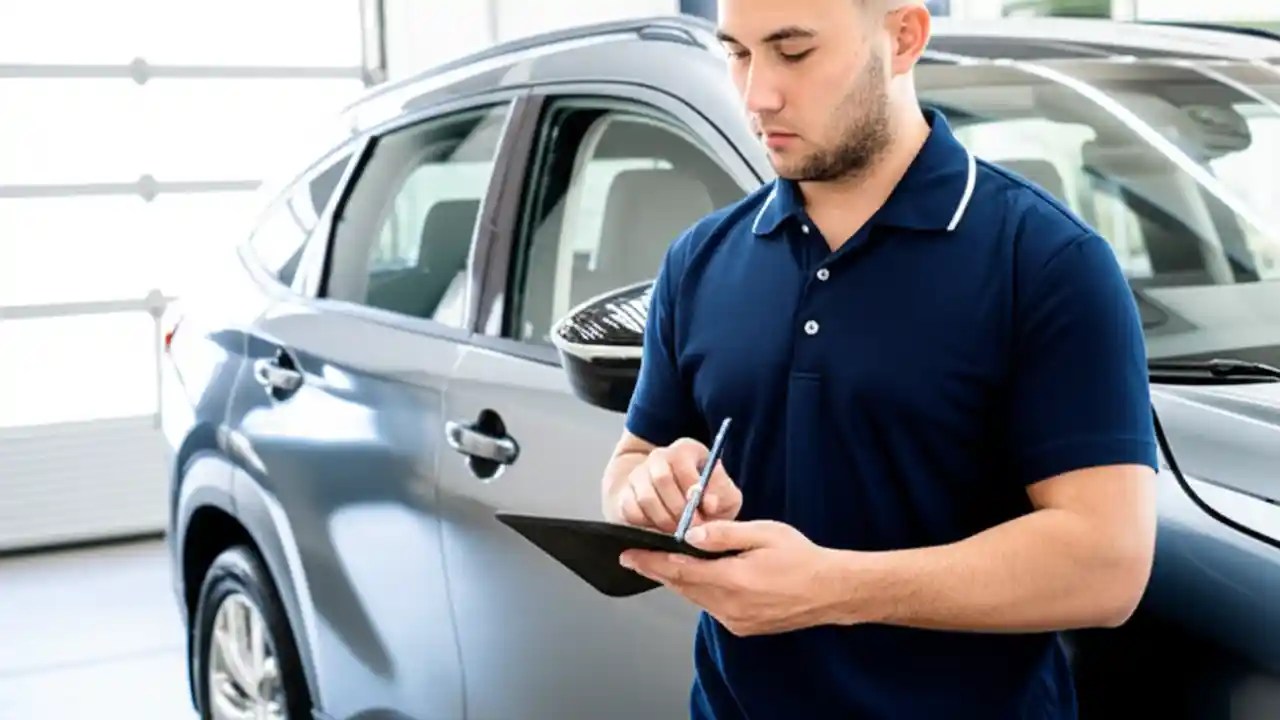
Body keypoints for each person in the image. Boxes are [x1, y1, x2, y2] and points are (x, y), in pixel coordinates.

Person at [598, 0, 1160, 718]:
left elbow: (1107, 567)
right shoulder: (699, 260)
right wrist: (648, 488)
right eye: (737, 53)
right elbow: (630, 463)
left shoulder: (1048, 262)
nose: (756, 94)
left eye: (793, 52)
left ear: (902, 37)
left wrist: (832, 587)